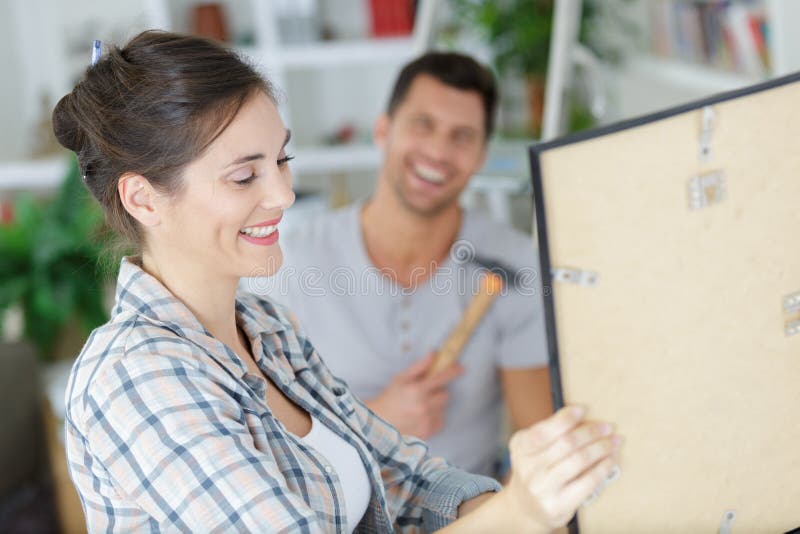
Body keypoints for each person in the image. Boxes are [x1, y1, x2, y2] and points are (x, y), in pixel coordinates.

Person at [55, 31, 621, 533]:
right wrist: (518, 514)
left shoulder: (265, 330)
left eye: (282, 160)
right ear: (143, 198)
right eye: (244, 175)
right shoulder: (135, 379)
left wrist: (531, 493)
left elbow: (408, 479)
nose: (282, 194)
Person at [256, 52, 552, 477]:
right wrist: (376, 420)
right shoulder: (294, 261)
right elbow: (267, 436)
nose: (438, 151)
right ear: (383, 130)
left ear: (482, 156)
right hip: (339, 507)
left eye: (462, 136)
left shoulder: (514, 263)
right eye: (423, 125)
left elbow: (536, 440)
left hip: (469, 508)